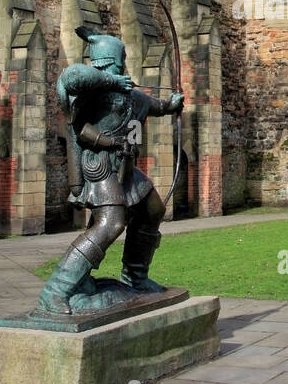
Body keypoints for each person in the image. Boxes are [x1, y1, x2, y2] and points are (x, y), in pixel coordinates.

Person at [35, 26, 183, 316]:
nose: (123, 63)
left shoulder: (129, 95)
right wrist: (110, 80)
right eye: (120, 59)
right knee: (111, 223)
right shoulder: (91, 89)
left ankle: (135, 278)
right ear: (109, 61)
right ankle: (57, 289)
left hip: (125, 167)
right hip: (100, 165)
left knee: (152, 209)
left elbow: (154, 104)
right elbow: (71, 77)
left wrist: (171, 105)